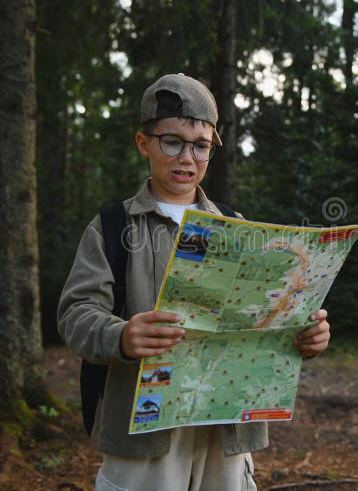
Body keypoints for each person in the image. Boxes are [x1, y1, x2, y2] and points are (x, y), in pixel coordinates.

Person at [57, 73, 332, 491]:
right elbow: (76, 313)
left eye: (201, 146)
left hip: (223, 429)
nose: (187, 158)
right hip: (143, 433)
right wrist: (121, 335)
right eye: (172, 142)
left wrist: (303, 333)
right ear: (143, 143)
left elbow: (264, 312)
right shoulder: (113, 227)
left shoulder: (237, 227)